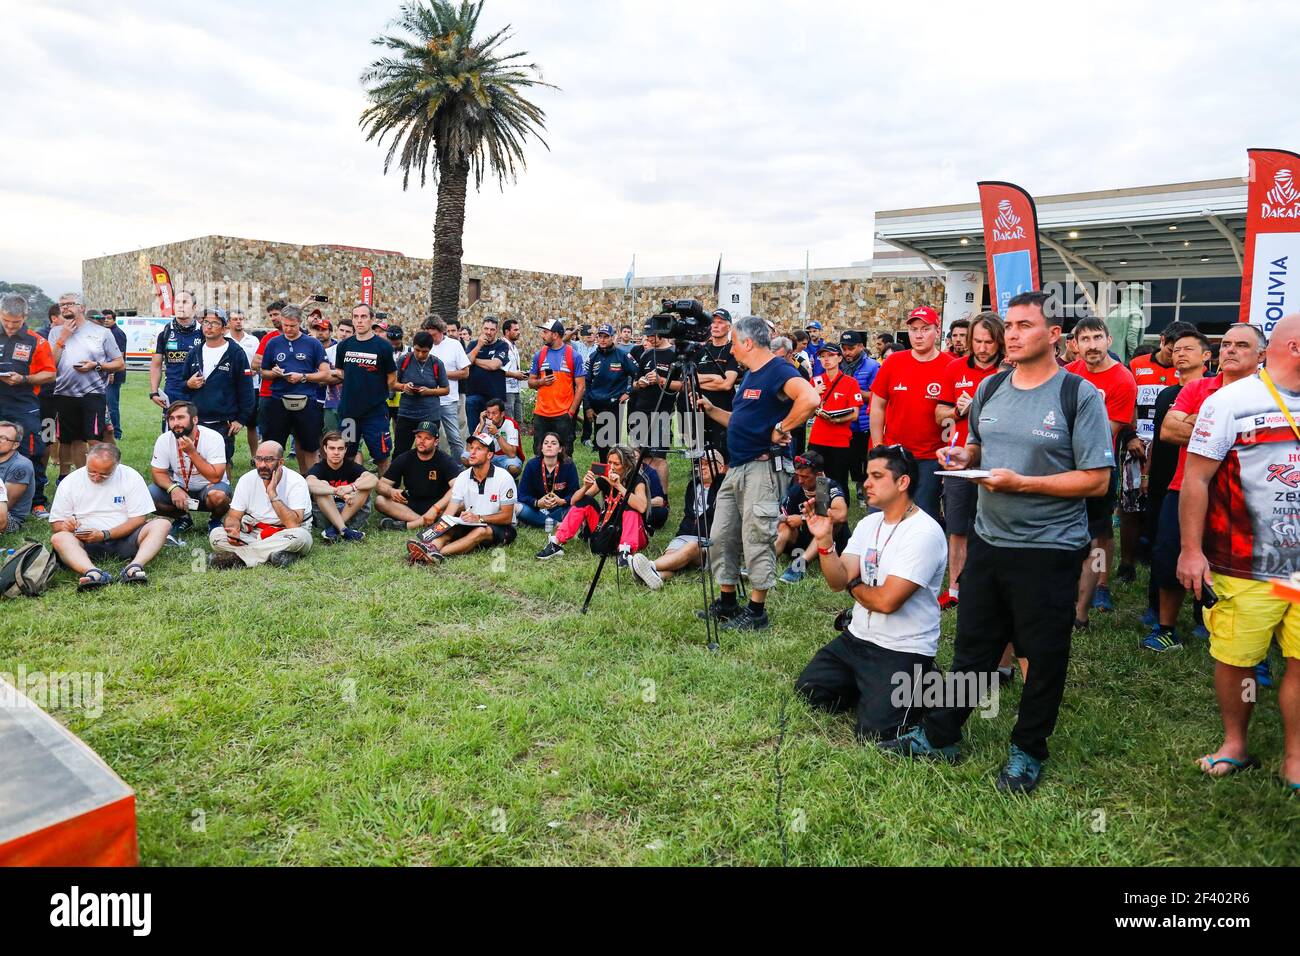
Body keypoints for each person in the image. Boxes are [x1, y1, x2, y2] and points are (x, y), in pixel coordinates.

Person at [884, 291, 1115, 794]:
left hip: (1050, 548)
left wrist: (1023, 483)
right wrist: (962, 456)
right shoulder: (990, 388)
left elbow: (1097, 479)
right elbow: (975, 447)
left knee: (1044, 655)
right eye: (1008, 325)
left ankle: (1028, 749)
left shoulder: (1078, 395)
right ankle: (942, 735)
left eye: (1025, 325)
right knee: (972, 648)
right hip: (990, 541)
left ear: (1054, 335)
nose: (1011, 334)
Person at [1178, 313, 1300, 792]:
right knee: (1237, 659)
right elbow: (1196, 478)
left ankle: (1295, 755)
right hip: (1244, 564)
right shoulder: (1229, 401)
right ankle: (1235, 744)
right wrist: (1191, 550)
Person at [795, 444, 947, 742]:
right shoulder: (868, 523)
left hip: (903, 648)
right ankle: (875, 689)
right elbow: (838, 580)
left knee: (876, 734)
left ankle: (928, 684)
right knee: (810, 693)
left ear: (902, 482)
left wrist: (855, 585)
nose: (866, 483)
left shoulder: (924, 533)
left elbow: (887, 601)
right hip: (858, 639)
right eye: (867, 475)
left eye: (877, 476)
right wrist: (825, 542)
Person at [696, 315, 820, 631]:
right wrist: (711, 410)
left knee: (756, 537)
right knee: (721, 534)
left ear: (748, 342)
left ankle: (756, 611)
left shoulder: (779, 370)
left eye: (734, 343)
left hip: (763, 468)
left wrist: (782, 427)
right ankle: (726, 602)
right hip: (737, 468)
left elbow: (810, 398)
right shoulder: (750, 376)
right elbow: (740, 420)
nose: (732, 350)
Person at [1148, 324, 1263, 652]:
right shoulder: (1197, 387)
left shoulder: (1270, 395)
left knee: (1241, 567)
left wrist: (1201, 423)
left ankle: (1245, 641)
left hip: (1244, 495)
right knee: (1171, 555)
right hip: (1183, 487)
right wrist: (1232, 430)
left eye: (1241, 345)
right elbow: (1169, 432)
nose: (1230, 350)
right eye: (1226, 344)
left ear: (1261, 355)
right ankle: (1166, 628)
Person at [1067, 317, 1138, 627]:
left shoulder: (1123, 380)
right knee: (1068, 532)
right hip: (1063, 469)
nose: (1092, 345)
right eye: (1085, 339)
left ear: (1109, 340)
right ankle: (1070, 590)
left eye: (1097, 337)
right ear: (1075, 345)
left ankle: (1097, 591)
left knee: (1099, 533)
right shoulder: (1067, 374)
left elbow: (1104, 433)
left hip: (1097, 468)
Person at [934, 312, 1005, 611]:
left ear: (999, 341)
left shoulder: (1010, 370)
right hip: (960, 458)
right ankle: (954, 588)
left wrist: (979, 403)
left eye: (989, 342)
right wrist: (957, 412)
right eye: (977, 341)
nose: (982, 347)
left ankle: (991, 586)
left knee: (995, 525)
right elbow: (939, 414)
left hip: (999, 457)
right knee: (958, 525)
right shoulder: (954, 368)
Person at [1119, 322, 1189, 584]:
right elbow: (1124, 402)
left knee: (1163, 503)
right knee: (1130, 505)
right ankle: (1126, 563)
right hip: (1137, 443)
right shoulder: (1136, 365)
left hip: (1171, 446)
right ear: (1162, 342)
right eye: (1173, 349)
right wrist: (1129, 436)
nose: (1177, 356)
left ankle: (1153, 554)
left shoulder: (1189, 373)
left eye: (1183, 350)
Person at [869, 307, 953, 521]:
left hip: (930, 457)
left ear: (937, 330)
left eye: (925, 329)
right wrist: (878, 445)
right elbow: (877, 405)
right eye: (914, 329)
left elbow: (955, 415)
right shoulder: (894, 362)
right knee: (882, 512)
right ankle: (880, 554)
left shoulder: (950, 365)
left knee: (922, 517)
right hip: (894, 454)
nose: (919, 335)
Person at [49, 443, 171, 589]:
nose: (96, 477)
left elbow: (138, 519)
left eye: (104, 474)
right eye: (92, 472)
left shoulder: (130, 476)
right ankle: (92, 573)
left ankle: (134, 567)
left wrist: (105, 534)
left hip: (126, 539)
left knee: (162, 524)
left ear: (116, 465)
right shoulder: (70, 481)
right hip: (85, 542)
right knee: (59, 538)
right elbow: (56, 525)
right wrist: (65, 526)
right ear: (86, 459)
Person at [405, 431, 517, 564]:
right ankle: (430, 548)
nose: (472, 452)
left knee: (481, 530)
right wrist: (436, 531)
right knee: (450, 528)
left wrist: (479, 518)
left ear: (489, 455)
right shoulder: (463, 477)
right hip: (471, 523)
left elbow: (507, 517)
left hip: (501, 528)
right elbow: (449, 513)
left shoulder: (504, 477)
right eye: (471, 448)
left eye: (479, 449)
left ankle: (432, 554)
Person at [534, 444, 649, 566]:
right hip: (608, 527)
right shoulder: (605, 479)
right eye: (609, 463)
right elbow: (574, 502)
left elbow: (642, 507)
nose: (612, 467)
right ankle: (556, 543)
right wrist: (586, 487)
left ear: (626, 465)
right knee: (585, 500)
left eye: (617, 464)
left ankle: (625, 553)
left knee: (630, 504)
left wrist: (618, 486)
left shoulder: (637, 480)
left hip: (632, 531)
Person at [49, 294, 124, 474]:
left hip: (93, 392)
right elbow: (50, 363)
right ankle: (68, 478)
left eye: (70, 304)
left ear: (82, 308)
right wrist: (63, 337)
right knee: (68, 439)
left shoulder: (102, 332)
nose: (65, 307)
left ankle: (102, 471)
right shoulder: (55, 332)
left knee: (94, 439)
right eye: (62, 305)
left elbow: (120, 363)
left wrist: (96, 366)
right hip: (63, 392)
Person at [630, 450, 726, 590]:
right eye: (700, 464)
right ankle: (657, 576)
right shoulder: (692, 486)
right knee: (673, 558)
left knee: (693, 546)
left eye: (707, 464)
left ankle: (650, 565)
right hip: (684, 535)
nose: (703, 467)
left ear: (721, 467)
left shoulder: (724, 488)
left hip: (708, 539)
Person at [208, 441, 313, 570]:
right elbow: (233, 516)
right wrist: (233, 528)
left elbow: (293, 524)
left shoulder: (296, 481)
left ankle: (238, 558)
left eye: (268, 460)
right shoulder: (246, 480)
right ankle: (277, 555)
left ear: (281, 462)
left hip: (285, 534)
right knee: (216, 535)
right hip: (254, 534)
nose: (262, 465)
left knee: (300, 537)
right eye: (258, 459)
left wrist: (272, 494)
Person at [0, 293, 55, 514]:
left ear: (25, 316)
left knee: (32, 450)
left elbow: (50, 374)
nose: (11, 327)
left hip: (23, 403)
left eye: (16, 322)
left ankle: (37, 502)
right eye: (6, 321)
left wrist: (24, 379)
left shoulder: (37, 341)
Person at [260, 306, 331, 473]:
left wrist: (303, 377)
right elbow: (263, 372)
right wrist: (274, 373)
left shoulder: (312, 343)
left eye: (292, 325)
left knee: (310, 447)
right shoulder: (273, 343)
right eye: (285, 325)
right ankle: (270, 484)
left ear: (300, 322)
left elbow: (326, 373)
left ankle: (311, 486)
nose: (288, 329)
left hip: (306, 402)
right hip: (278, 400)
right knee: (273, 447)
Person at [181, 309, 254, 464]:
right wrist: (189, 384)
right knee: (196, 461)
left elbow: (246, 390)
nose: (209, 326)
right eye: (206, 322)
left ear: (224, 327)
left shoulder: (235, 353)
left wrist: (241, 420)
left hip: (223, 421)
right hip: (197, 419)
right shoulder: (195, 352)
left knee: (222, 462)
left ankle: (223, 488)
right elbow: (181, 385)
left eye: (215, 323)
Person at [149, 401, 231, 535]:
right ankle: (182, 518)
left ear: (195, 419)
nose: (175, 423)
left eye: (180, 417)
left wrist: (192, 453)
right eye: (171, 419)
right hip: (180, 488)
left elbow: (216, 477)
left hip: (210, 488)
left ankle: (215, 520)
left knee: (219, 497)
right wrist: (173, 488)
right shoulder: (164, 439)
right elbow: (158, 472)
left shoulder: (213, 438)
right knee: (148, 496)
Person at [335, 304, 398, 475]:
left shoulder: (383, 347)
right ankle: (348, 493)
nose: (359, 320)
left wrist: (373, 393)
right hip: (349, 413)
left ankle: (385, 495)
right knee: (347, 455)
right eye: (356, 317)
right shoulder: (344, 346)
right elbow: (341, 373)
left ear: (371, 319)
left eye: (363, 316)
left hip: (375, 413)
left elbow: (392, 379)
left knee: (381, 456)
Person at [776, 451, 850, 584]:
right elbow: (784, 518)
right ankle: (764, 562)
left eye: (805, 477)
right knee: (783, 525)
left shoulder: (826, 486)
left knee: (830, 522)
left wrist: (802, 519)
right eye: (797, 475)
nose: (800, 480)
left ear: (819, 475)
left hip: (830, 545)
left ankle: (799, 566)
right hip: (803, 544)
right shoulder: (795, 489)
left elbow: (841, 514)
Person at [376, 421, 461, 531]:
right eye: (419, 437)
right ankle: (427, 523)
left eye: (427, 438)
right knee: (380, 500)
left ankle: (408, 525)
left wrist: (435, 509)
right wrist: (390, 491)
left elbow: (457, 488)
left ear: (436, 442)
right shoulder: (405, 458)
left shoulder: (444, 460)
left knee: (461, 503)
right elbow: (380, 485)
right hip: (411, 502)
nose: (422, 441)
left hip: (438, 505)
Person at [628, 329, 682, 495]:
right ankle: (642, 494)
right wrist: (640, 383)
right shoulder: (646, 354)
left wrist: (660, 381)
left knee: (658, 457)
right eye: (647, 335)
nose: (648, 339)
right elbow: (635, 382)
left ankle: (663, 498)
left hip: (662, 413)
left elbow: (683, 385)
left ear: (661, 334)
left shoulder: (675, 355)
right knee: (639, 455)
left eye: (651, 335)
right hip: (640, 410)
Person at [806, 343, 864, 495]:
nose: (826, 359)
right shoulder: (815, 381)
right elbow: (807, 412)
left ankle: (840, 514)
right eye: (822, 356)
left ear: (839, 358)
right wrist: (812, 393)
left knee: (839, 480)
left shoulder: (850, 382)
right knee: (819, 480)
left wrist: (836, 420)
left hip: (840, 440)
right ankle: (822, 511)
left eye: (831, 355)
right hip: (817, 439)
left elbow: (855, 413)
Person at [307, 431, 378, 543]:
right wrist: (336, 491)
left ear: (345, 450)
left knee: (363, 484)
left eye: (340, 448)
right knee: (322, 485)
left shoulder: (351, 466)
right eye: (332, 448)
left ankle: (336, 529)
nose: (336, 452)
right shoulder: (319, 467)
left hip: (351, 512)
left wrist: (351, 487)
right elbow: (309, 483)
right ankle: (344, 530)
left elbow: (373, 479)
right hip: (327, 515)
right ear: (325, 449)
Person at [529, 320, 586, 457]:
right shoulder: (539, 355)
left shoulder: (573, 356)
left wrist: (571, 412)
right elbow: (531, 382)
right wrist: (541, 381)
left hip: (563, 415)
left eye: (545, 332)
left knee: (565, 454)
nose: (543, 335)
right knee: (539, 453)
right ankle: (542, 479)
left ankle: (564, 478)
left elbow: (581, 386)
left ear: (555, 335)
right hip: (541, 414)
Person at [838, 331, 880, 507]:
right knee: (846, 461)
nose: (847, 352)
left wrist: (853, 392)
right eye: (844, 348)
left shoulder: (872, 366)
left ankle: (864, 492)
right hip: (842, 421)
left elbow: (877, 395)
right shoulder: (837, 364)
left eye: (851, 348)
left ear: (861, 347)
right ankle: (844, 494)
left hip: (863, 422)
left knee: (864, 461)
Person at [148, 289, 203, 425]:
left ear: (194, 307)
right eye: (177, 302)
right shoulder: (162, 332)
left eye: (185, 302)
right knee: (173, 432)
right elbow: (156, 366)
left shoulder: (203, 331)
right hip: (173, 391)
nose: (180, 305)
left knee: (197, 432)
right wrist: (154, 393)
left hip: (199, 391)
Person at [392, 330, 450, 458]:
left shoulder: (436, 363)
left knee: (429, 452)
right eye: (417, 350)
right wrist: (404, 387)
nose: (419, 354)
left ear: (430, 349)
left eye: (424, 351)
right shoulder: (404, 360)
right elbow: (392, 383)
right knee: (400, 451)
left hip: (430, 414)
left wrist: (429, 391)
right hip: (406, 413)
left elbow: (446, 389)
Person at [693, 310, 740, 462]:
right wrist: (715, 378)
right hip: (700, 412)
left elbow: (727, 383)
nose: (715, 326)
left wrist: (699, 380)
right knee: (700, 459)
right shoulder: (700, 350)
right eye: (713, 322)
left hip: (723, 412)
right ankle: (702, 485)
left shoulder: (732, 350)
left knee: (723, 458)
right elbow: (688, 381)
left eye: (720, 322)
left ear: (729, 327)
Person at [585, 324, 636, 461]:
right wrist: (588, 407)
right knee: (601, 445)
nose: (602, 340)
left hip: (614, 406)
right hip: (597, 407)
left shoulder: (622, 356)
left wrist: (629, 392)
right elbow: (586, 383)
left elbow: (637, 374)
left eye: (606, 337)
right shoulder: (592, 357)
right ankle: (605, 475)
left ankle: (615, 473)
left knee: (613, 445)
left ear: (612, 338)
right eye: (600, 336)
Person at [425, 316, 470, 465]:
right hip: (427, 401)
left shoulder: (454, 345)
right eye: (428, 335)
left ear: (441, 331)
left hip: (448, 400)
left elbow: (465, 372)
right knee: (428, 437)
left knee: (454, 438)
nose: (431, 339)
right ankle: (433, 468)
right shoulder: (424, 345)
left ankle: (460, 470)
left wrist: (441, 373)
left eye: (433, 335)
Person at [517, 431, 580, 529]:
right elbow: (522, 494)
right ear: (542, 448)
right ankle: (556, 524)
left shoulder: (568, 465)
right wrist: (537, 502)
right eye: (546, 443)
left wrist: (562, 501)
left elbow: (575, 492)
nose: (549, 445)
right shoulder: (531, 465)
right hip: (536, 508)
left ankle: (536, 521)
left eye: (553, 443)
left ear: (560, 449)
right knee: (517, 507)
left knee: (578, 506)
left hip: (560, 508)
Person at [251, 300, 286, 458]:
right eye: (271, 315)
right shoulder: (269, 338)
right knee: (269, 436)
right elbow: (255, 363)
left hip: (296, 393)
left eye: (276, 314)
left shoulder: (304, 336)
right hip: (269, 393)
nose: (273, 318)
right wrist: (274, 367)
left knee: (301, 438)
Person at [227, 309, 263, 457]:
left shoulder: (253, 340)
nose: (238, 321)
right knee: (229, 424)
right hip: (230, 388)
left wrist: (255, 370)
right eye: (235, 319)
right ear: (229, 322)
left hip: (251, 387)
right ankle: (228, 455)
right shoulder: (225, 340)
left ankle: (255, 457)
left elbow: (259, 362)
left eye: (241, 319)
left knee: (252, 425)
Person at [463, 317, 510, 430]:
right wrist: (478, 346)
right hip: (474, 395)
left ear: (497, 330)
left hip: (495, 396)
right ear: (482, 328)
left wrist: (475, 360)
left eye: (492, 330)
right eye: (486, 329)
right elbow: (466, 363)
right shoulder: (474, 344)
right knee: (475, 431)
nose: (488, 332)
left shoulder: (502, 345)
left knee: (492, 430)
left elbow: (494, 365)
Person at [309, 315, 344, 434]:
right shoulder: (310, 348)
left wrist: (316, 379)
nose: (320, 333)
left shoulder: (339, 349)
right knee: (317, 434)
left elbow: (343, 375)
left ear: (330, 332)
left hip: (335, 400)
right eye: (317, 329)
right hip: (315, 398)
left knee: (336, 435)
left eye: (323, 330)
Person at [0, 420, 36, 531]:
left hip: (8, 518)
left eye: (3, 438)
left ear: (15, 444)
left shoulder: (21, 466)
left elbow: (6, 505)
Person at [474, 398, 523, 475]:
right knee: (465, 457)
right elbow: (469, 450)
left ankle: (509, 481)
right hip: (486, 457)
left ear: (502, 414)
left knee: (514, 467)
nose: (490, 417)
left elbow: (512, 454)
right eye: (488, 413)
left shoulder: (510, 424)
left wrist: (497, 434)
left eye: (494, 413)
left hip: (505, 457)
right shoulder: (483, 423)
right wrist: (481, 426)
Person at [99, 310, 127, 441]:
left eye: (109, 318)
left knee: (112, 406)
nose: (106, 320)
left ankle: (117, 433)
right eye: (104, 318)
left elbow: (119, 355)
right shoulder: (105, 332)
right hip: (105, 373)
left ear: (114, 319)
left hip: (114, 375)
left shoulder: (118, 333)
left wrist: (112, 373)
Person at [501, 318, 528, 425]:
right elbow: (498, 370)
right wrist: (515, 375)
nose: (518, 332)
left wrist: (522, 374)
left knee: (518, 421)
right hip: (506, 390)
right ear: (507, 332)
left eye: (518, 329)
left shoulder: (513, 346)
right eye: (515, 330)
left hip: (516, 388)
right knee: (509, 421)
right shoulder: (502, 346)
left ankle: (517, 441)